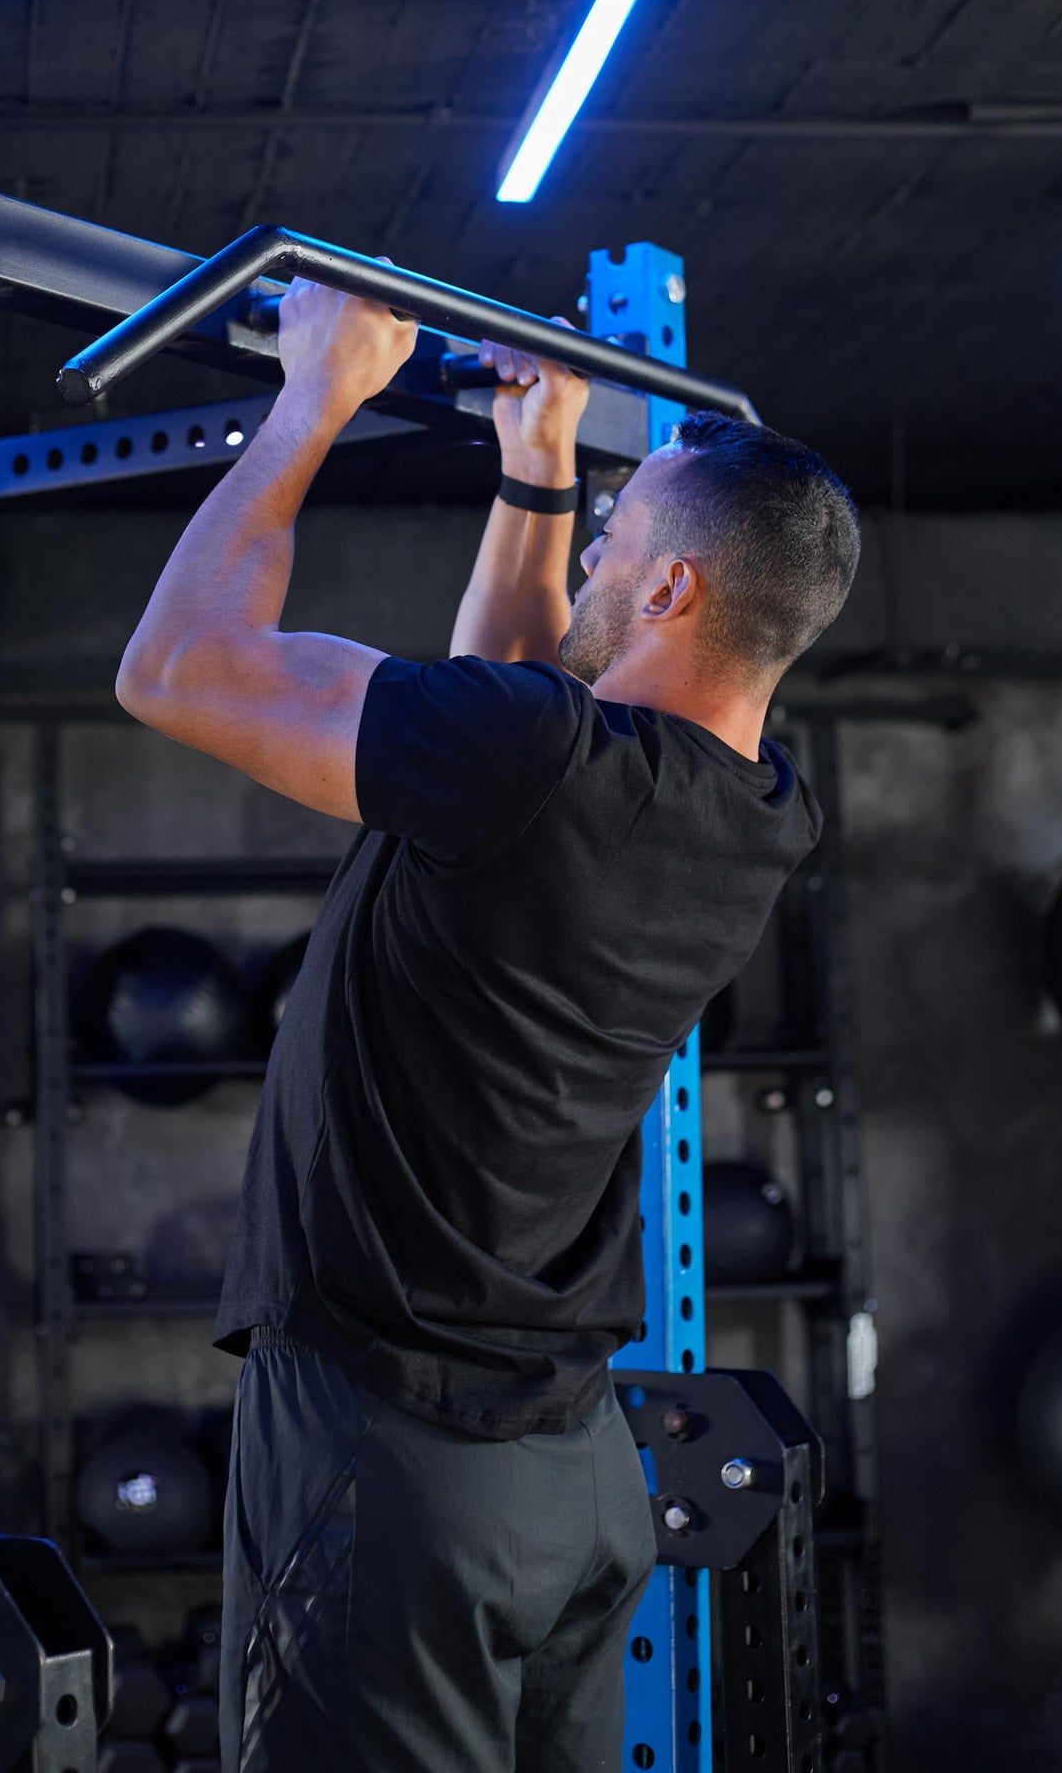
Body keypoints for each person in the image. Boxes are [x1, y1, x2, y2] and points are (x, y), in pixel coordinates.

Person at [114, 278, 861, 1773]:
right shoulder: (762, 810)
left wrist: (313, 400)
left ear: (671, 593)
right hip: (568, 1474)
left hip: (391, 1455)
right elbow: (516, 699)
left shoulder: (537, 765)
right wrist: (538, 464)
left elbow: (176, 670)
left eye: (615, 537)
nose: (592, 547)